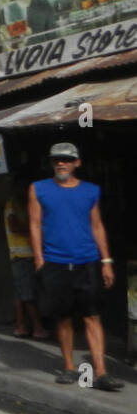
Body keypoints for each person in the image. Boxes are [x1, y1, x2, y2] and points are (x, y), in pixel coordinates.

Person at [27, 143, 124, 391]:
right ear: (51, 163)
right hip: (55, 263)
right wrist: (39, 260)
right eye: (57, 160)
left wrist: (106, 261)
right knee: (64, 318)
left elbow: (97, 225)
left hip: (87, 261)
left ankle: (101, 372)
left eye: (67, 160)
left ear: (77, 163)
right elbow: (35, 225)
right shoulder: (39, 189)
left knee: (92, 316)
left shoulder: (91, 191)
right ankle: (69, 367)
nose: (61, 164)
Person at [4, 181, 48, 340]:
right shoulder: (13, 204)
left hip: (25, 254)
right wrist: (34, 230)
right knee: (28, 293)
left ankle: (20, 326)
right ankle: (37, 327)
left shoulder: (27, 204)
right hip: (22, 255)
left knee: (21, 293)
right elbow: (13, 227)